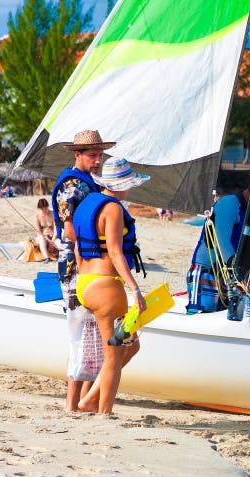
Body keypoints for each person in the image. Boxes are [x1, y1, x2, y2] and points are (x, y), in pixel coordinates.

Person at [73, 157, 149, 414]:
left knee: (132, 345)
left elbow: (76, 245)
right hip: (107, 289)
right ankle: (104, 413)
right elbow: (116, 253)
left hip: (85, 283)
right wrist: (135, 289)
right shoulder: (113, 209)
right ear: (124, 184)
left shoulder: (87, 202)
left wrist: (86, 277)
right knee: (113, 357)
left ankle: (90, 399)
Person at [52, 129, 115, 412]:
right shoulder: (73, 187)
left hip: (87, 262)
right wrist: (106, 242)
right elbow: (69, 231)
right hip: (74, 265)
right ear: (77, 155)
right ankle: (72, 404)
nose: (98, 160)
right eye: (92, 155)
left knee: (89, 332)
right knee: (80, 330)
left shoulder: (89, 182)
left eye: (100, 155)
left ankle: (83, 401)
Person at [187, 186, 249, 313]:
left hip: (227, 275)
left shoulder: (247, 211)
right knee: (200, 320)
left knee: (226, 320)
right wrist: (238, 272)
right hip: (207, 272)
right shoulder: (229, 203)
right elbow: (222, 242)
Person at [33, 198, 57, 262]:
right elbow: (38, 231)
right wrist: (47, 239)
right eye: (42, 209)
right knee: (42, 238)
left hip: (53, 236)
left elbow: (56, 229)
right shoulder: (37, 216)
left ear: (47, 206)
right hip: (42, 237)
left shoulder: (53, 214)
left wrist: (52, 240)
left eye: (45, 208)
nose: (44, 210)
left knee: (59, 243)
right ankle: (46, 257)